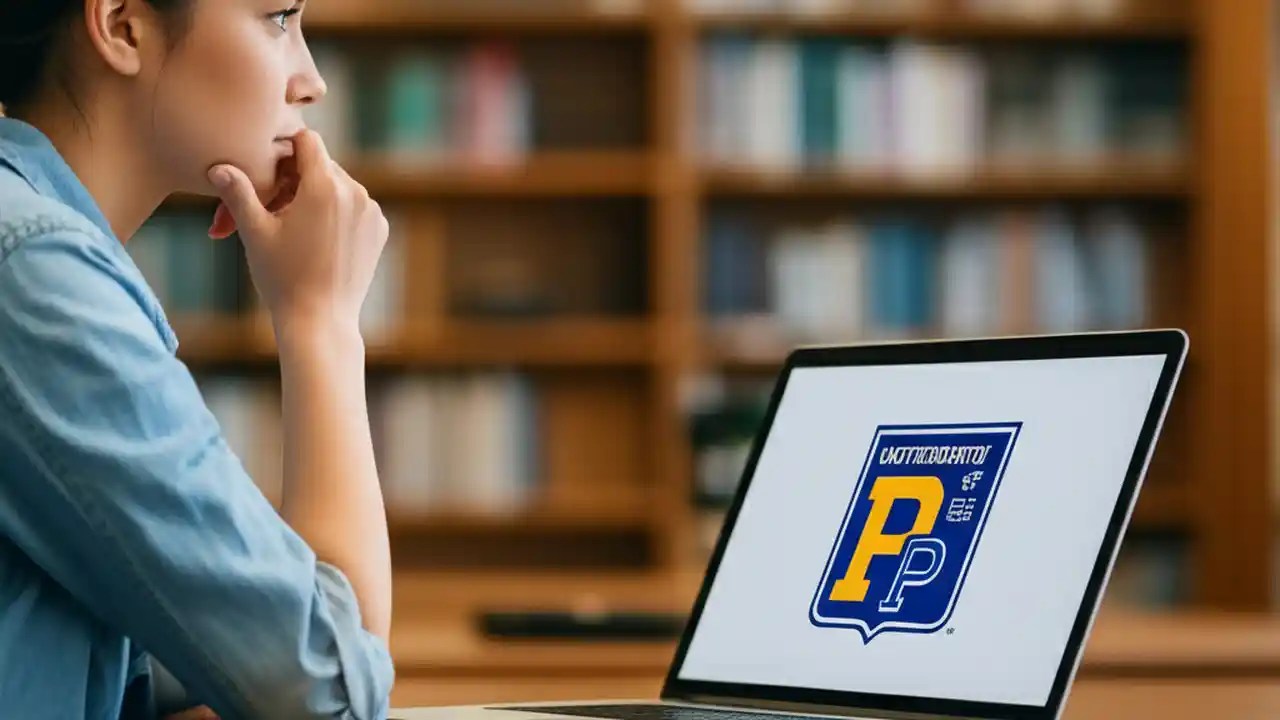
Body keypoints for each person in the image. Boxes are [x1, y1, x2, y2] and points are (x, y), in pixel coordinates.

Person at [0, 1, 395, 718]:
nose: (311, 82)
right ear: (122, 24)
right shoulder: (31, 269)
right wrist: (322, 323)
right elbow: (328, 691)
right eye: (278, 18)